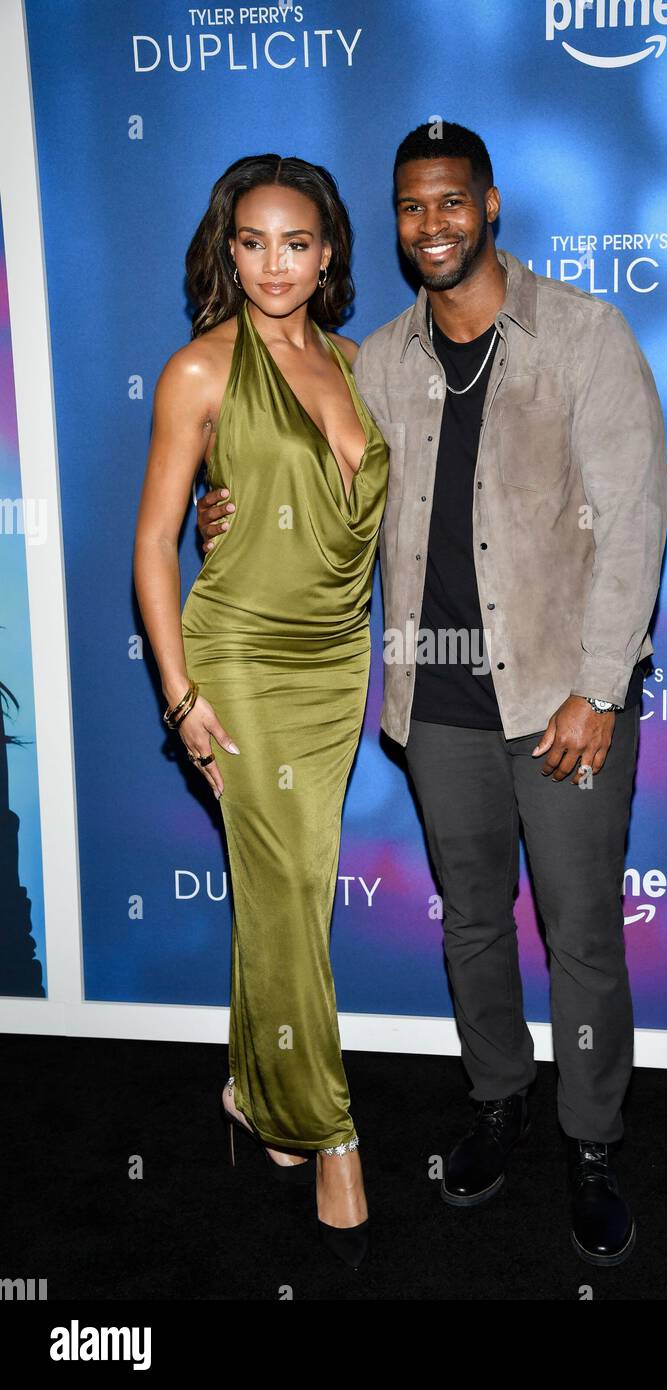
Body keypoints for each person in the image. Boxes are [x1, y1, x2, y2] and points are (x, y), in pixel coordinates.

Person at [197, 123, 667, 1266]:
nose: (434, 225)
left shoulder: (584, 336)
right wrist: (231, 515)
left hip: (562, 700)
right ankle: (498, 1100)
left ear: (490, 206)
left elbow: (637, 519)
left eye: (452, 202)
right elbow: (312, 475)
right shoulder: (381, 359)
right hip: (436, 703)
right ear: (398, 224)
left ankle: (590, 1141)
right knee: (469, 924)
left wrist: (598, 688)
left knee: (581, 934)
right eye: (413, 208)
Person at [134, 153, 389, 1270]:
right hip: (235, 658)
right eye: (253, 242)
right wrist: (180, 693)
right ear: (226, 250)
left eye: (296, 242)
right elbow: (151, 541)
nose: (274, 263)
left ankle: (254, 1087)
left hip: (336, 663)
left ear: (327, 252)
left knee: (291, 893)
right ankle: (328, 1132)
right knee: (285, 886)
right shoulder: (197, 369)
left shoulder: (350, 361)